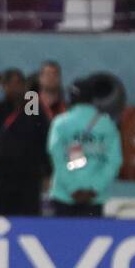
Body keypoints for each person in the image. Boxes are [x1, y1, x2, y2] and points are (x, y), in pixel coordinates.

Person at [0, 68, 47, 216]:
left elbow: (40, 136)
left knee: (30, 215)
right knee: (5, 214)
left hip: (29, 174)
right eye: (10, 84)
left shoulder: (31, 107)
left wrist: (46, 172)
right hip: (4, 173)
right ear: (4, 87)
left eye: (18, 83)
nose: (15, 88)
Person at [46, 74, 122, 217]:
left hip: (64, 196)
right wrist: (95, 188)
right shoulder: (107, 124)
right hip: (95, 197)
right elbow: (114, 161)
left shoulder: (60, 123)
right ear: (92, 98)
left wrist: (72, 189)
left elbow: (57, 159)